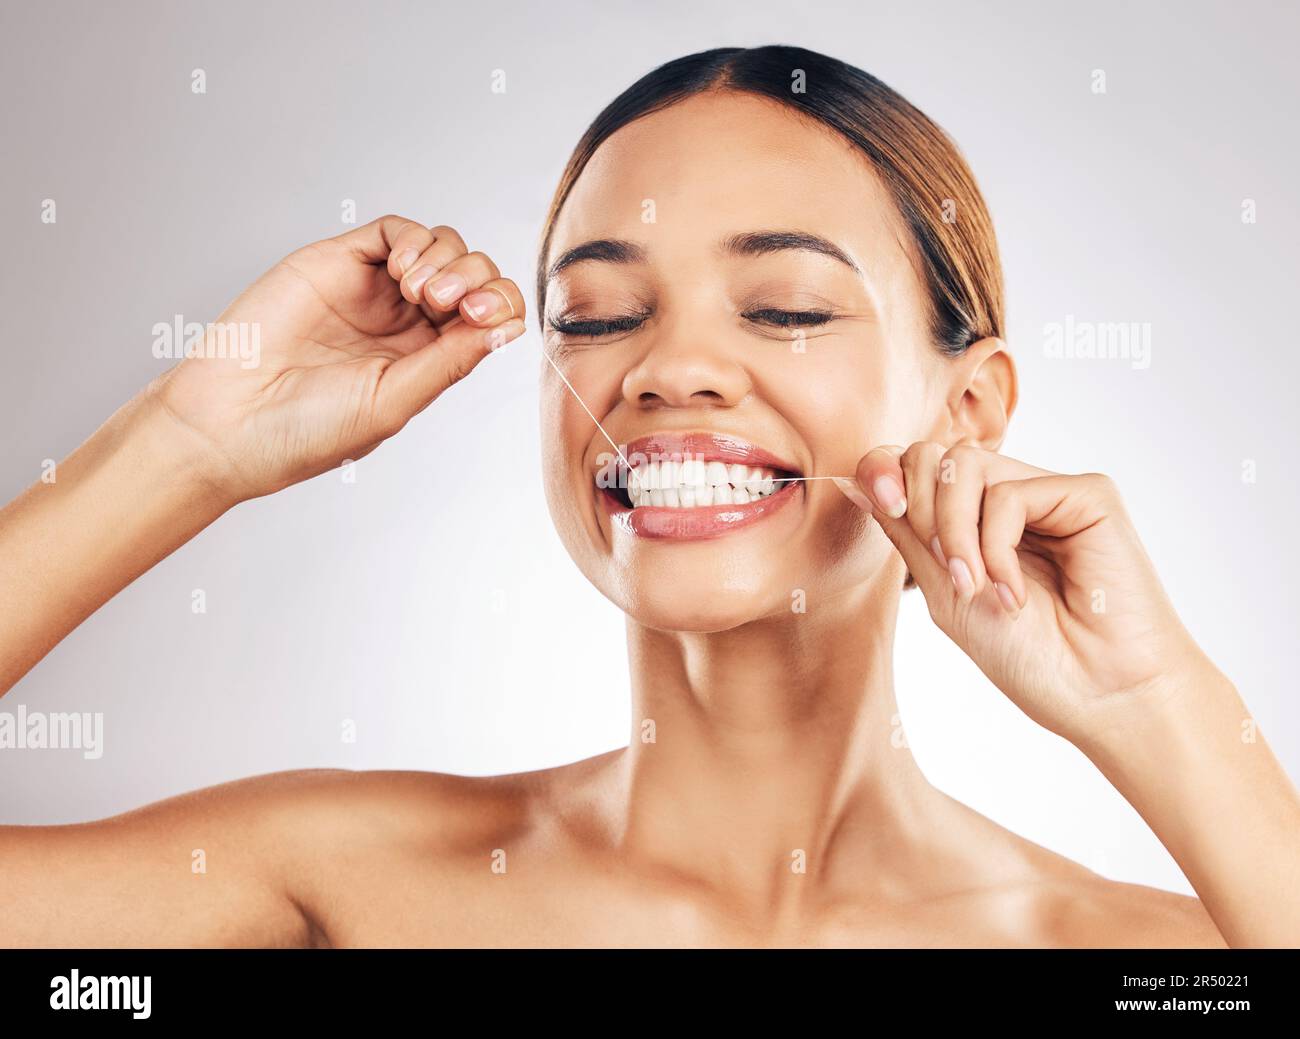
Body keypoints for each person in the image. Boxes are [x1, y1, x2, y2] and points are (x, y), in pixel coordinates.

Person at [2, 46, 1295, 948]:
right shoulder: (340, 885)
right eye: (599, 315)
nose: (667, 368)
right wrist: (187, 446)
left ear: (971, 411)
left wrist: (1162, 710)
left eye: (786, 306)